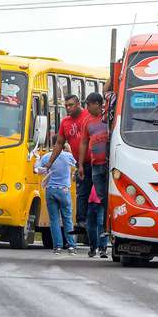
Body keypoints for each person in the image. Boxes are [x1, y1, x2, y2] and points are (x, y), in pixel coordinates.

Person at [44, 94, 91, 230]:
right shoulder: (65, 122)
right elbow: (59, 143)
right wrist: (50, 162)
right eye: (66, 106)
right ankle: (81, 222)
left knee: (97, 196)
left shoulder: (88, 116)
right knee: (82, 193)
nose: (68, 108)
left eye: (71, 105)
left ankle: (98, 222)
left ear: (78, 104)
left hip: (95, 161)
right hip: (81, 164)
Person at [79, 92, 109, 258]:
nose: (87, 107)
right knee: (101, 201)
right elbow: (84, 142)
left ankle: (104, 239)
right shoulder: (87, 121)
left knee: (104, 203)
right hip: (95, 165)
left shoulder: (108, 117)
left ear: (98, 104)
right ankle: (99, 242)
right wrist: (81, 164)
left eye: (89, 104)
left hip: (109, 164)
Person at [35, 143, 77, 255]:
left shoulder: (47, 156)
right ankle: (71, 246)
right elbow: (76, 163)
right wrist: (70, 150)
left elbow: (37, 170)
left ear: (54, 145)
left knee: (54, 220)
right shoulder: (67, 156)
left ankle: (57, 247)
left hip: (50, 190)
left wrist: (38, 158)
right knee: (67, 219)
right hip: (64, 191)